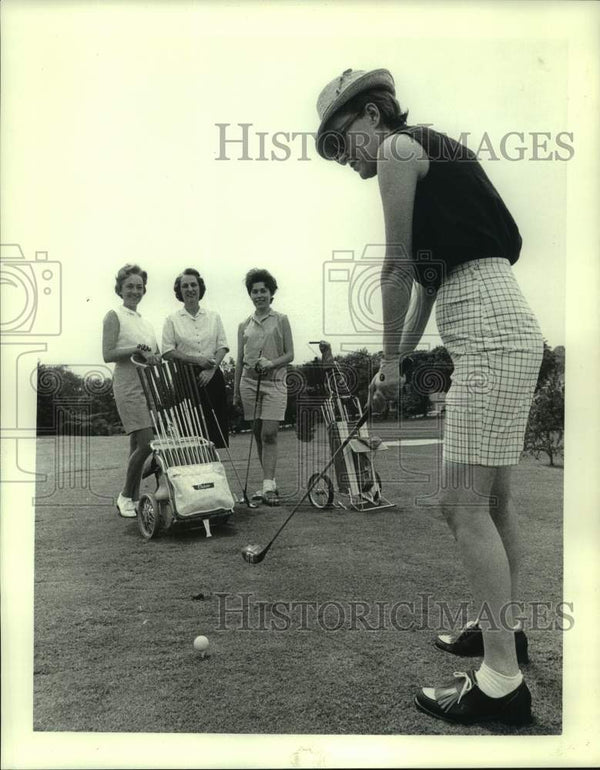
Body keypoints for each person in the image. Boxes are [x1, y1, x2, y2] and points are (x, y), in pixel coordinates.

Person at [315, 68, 543, 726]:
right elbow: (429, 284)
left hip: (492, 340)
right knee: (493, 502)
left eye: (340, 141)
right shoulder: (429, 147)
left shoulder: (394, 150)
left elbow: (396, 269)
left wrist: (387, 361)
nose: (344, 158)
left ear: (370, 117)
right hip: (503, 326)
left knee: (459, 504)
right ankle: (501, 631)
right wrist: (398, 361)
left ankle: (501, 679)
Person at [102, 264, 160, 518]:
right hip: (127, 385)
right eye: (130, 287)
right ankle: (125, 495)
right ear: (120, 289)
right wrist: (136, 349)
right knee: (147, 443)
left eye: (139, 287)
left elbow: (154, 355)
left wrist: (154, 357)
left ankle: (134, 499)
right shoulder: (113, 315)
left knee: (138, 444)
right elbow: (108, 353)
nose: (135, 291)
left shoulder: (146, 323)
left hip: (147, 385)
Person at [234, 269, 294, 505]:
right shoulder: (243, 325)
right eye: (254, 291)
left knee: (269, 433)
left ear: (271, 294)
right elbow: (239, 359)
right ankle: (269, 483)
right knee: (259, 435)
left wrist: (271, 363)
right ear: (250, 295)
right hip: (248, 384)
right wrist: (236, 392)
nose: (259, 295)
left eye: (263, 291)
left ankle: (268, 485)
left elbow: (290, 354)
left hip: (275, 383)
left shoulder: (281, 319)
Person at [162, 268, 230, 448]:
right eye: (185, 286)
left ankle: (215, 475)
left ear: (200, 288)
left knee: (215, 435)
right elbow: (168, 352)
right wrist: (197, 360)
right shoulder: (172, 320)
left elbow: (222, 346)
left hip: (212, 377)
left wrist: (211, 369)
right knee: (191, 435)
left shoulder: (214, 316)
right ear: (179, 291)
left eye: (194, 285)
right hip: (185, 380)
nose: (190, 289)